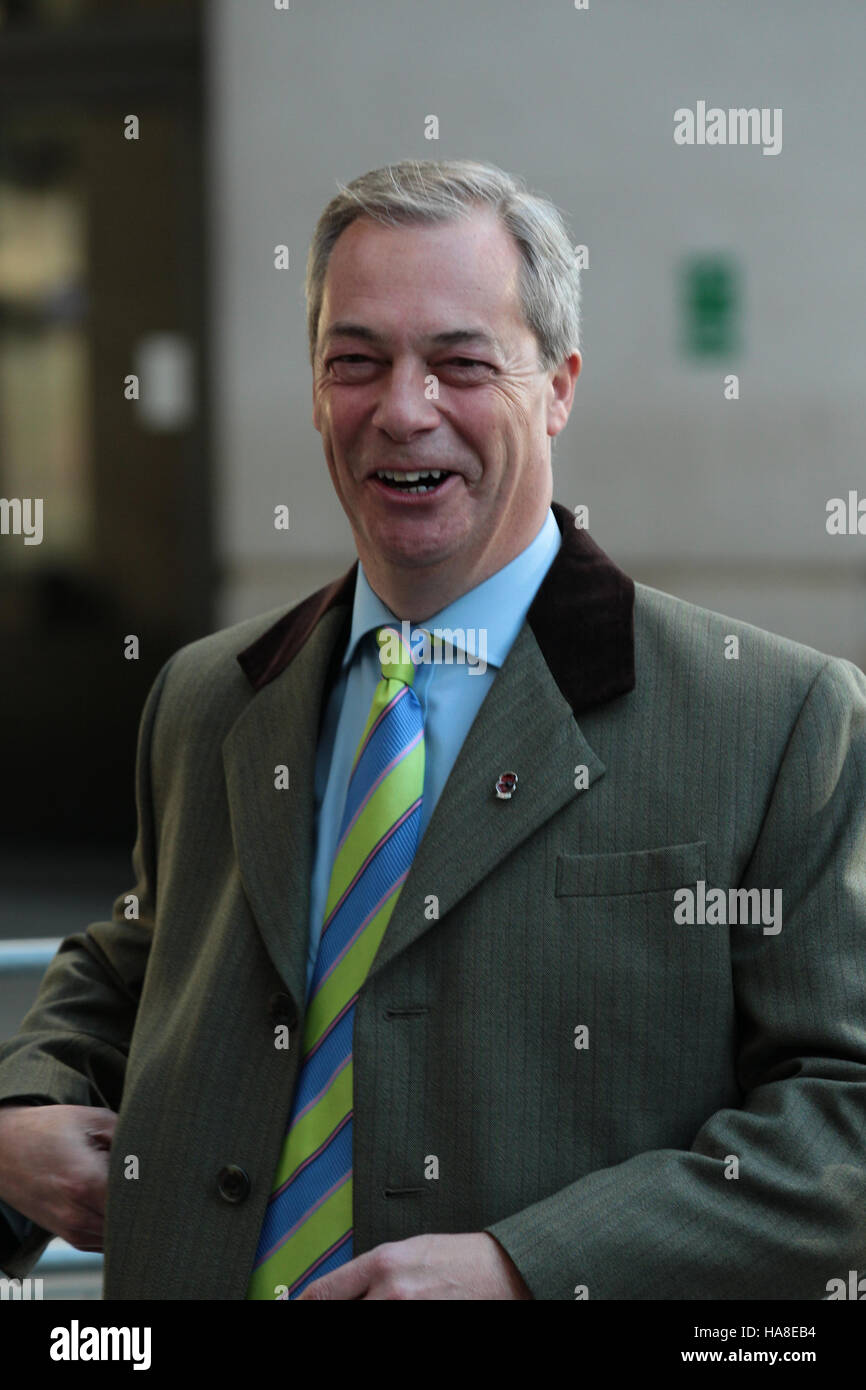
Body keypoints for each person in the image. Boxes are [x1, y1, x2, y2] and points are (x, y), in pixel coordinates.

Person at [0, 158, 864, 1301]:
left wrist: (532, 1267)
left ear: (556, 386)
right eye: (354, 361)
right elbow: (146, 952)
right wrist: (24, 1108)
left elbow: (841, 1117)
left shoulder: (773, 717)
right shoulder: (210, 694)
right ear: (315, 387)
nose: (402, 409)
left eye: (460, 362)